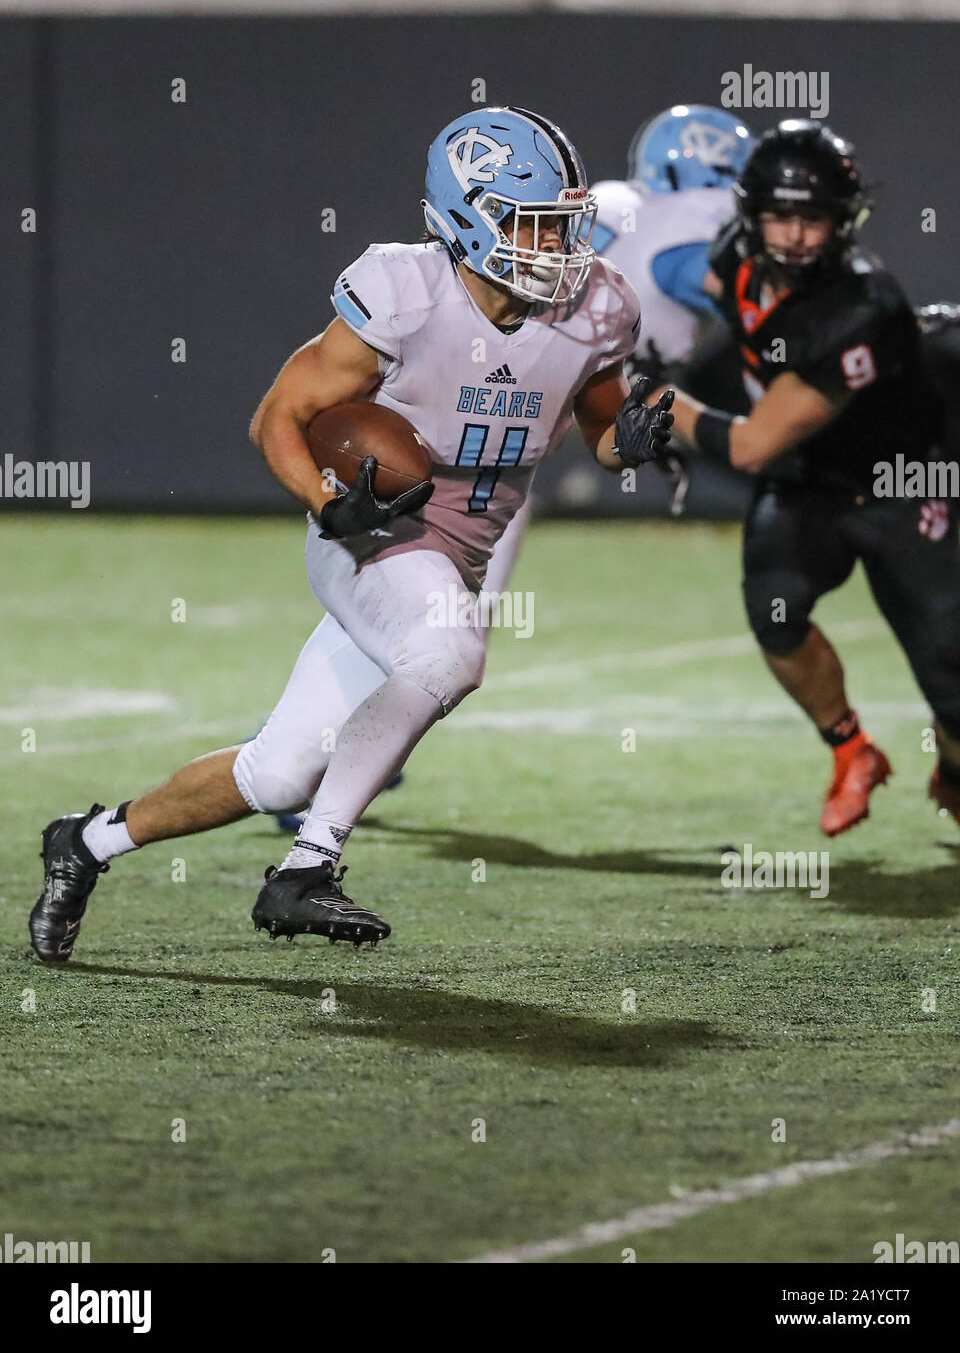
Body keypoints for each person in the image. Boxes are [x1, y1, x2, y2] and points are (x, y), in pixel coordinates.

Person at [29, 105, 674, 961]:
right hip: (373, 532)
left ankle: (86, 842)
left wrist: (627, 440)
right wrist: (328, 503)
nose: (555, 249)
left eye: (561, 227)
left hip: (460, 555)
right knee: (449, 656)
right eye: (531, 225)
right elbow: (278, 417)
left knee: (279, 772)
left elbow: (599, 428)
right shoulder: (405, 293)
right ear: (464, 219)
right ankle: (306, 867)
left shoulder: (596, 308)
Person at [657, 119, 960, 835]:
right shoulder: (734, 256)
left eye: (812, 218)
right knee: (776, 613)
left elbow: (755, 446)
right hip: (810, 479)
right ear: (752, 214)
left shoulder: (862, 305)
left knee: (950, 677)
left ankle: (952, 769)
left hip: (898, 484)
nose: (794, 236)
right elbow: (701, 293)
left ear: (842, 222)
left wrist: (659, 404)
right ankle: (852, 749)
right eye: (780, 216)